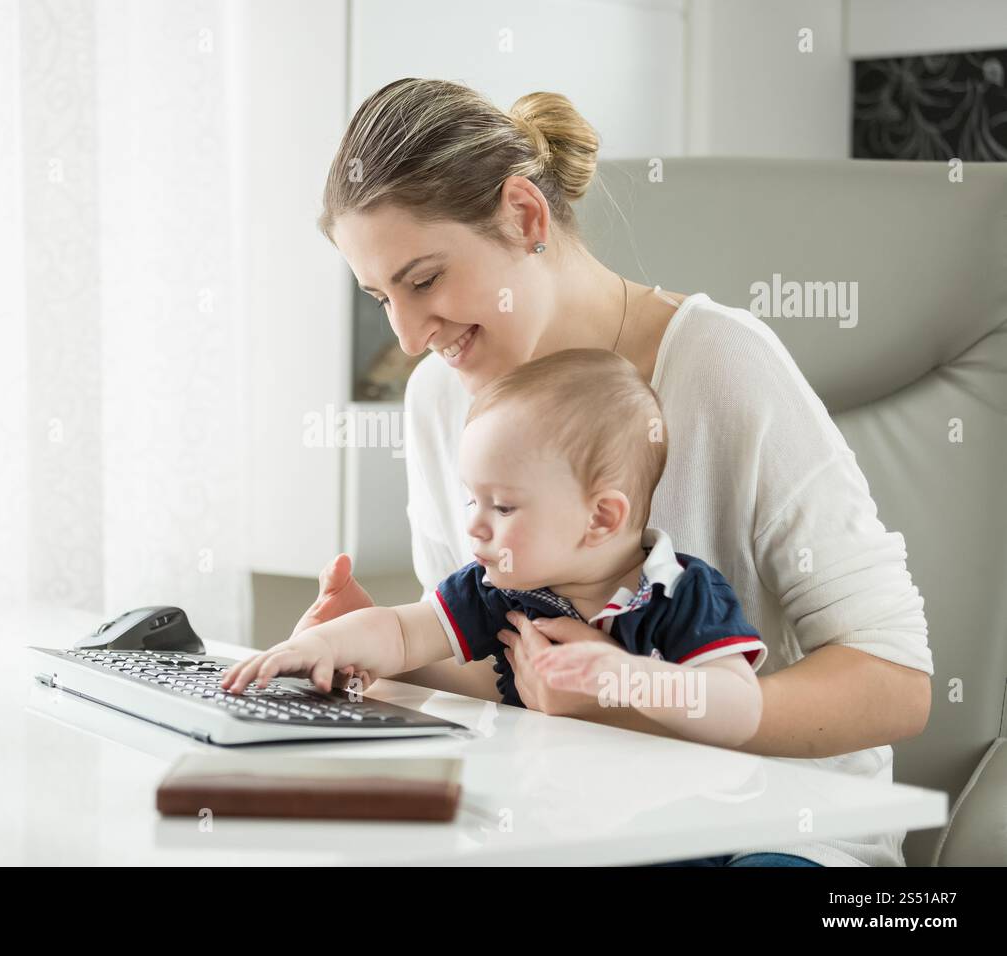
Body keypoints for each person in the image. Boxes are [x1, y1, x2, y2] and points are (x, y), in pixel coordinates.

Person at [294, 77, 933, 867]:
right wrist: (381, 650)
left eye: (422, 280)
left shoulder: (722, 365)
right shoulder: (436, 399)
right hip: (577, 823)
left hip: (772, 829)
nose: (410, 333)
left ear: (524, 216)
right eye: (377, 297)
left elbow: (896, 682)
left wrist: (638, 700)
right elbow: (511, 676)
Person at [226, 347, 767, 752]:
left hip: (678, 833)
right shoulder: (497, 585)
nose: (476, 528)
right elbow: (401, 630)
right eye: (472, 502)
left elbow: (741, 709)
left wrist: (622, 677)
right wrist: (324, 643)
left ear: (600, 518)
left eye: (503, 508)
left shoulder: (681, 590)